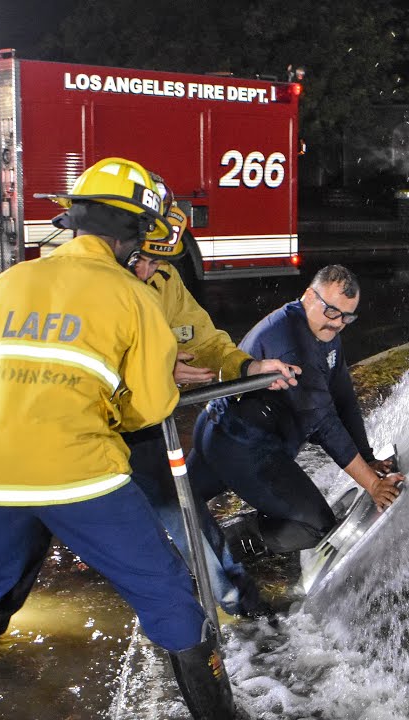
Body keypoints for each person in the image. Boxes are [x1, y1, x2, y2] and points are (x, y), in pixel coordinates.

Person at [0, 158, 236, 720]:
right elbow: (150, 406)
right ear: (135, 234)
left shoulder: (10, 281)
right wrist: (99, 411)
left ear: (74, 220)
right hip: (80, 475)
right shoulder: (134, 298)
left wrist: (6, 421)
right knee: (168, 592)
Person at [123, 183, 298, 616]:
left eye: (158, 260)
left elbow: (201, 339)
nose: (148, 271)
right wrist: (157, 368)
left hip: (138, 421)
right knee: (21, 543)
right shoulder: (94, 286)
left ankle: (233, 603)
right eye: (140, 259)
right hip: (82, 433)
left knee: (181, 508)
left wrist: (246, 368)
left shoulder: (164, 281)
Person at [188, 265, 404, 557]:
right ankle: (232, 541)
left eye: (346, 317)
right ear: (309, 296)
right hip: (239, 444)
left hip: (225, 431)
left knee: (182, 503)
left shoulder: (325, 331)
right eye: (331, 312)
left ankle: (192, 549)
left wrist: (366, 457)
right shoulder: (290, 341)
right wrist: (372, 485)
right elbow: (323, 422)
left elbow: (343, 398)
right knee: (315, 527)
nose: (337, 323)